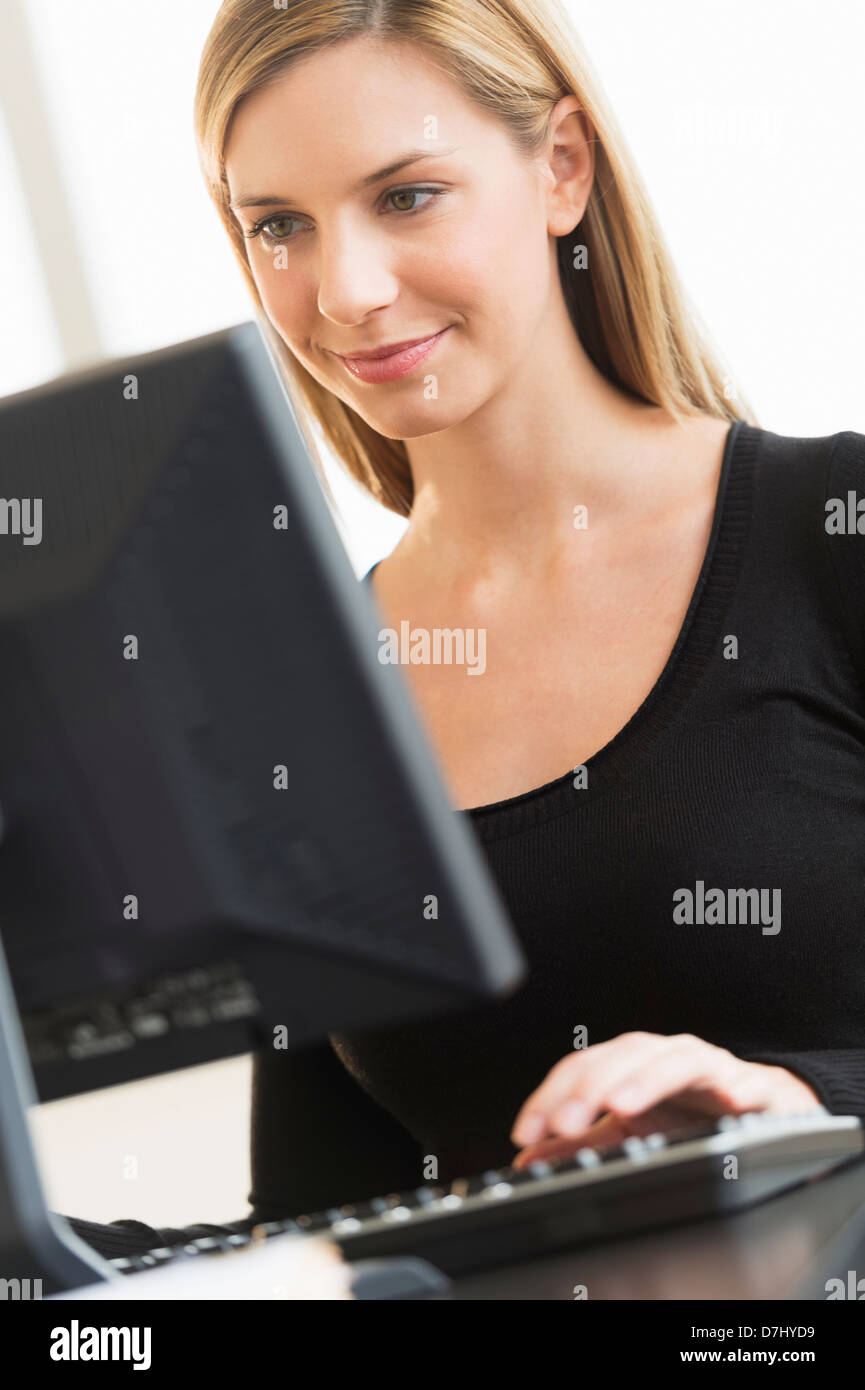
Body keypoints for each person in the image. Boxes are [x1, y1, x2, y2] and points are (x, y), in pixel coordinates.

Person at [65, 0, 865, 1263]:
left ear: (561, 167)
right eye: (279, 225)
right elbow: (337, 1233)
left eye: (407, 195)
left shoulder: (835, 537)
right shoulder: (307, 698)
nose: (347, 290)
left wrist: (801, 1100)